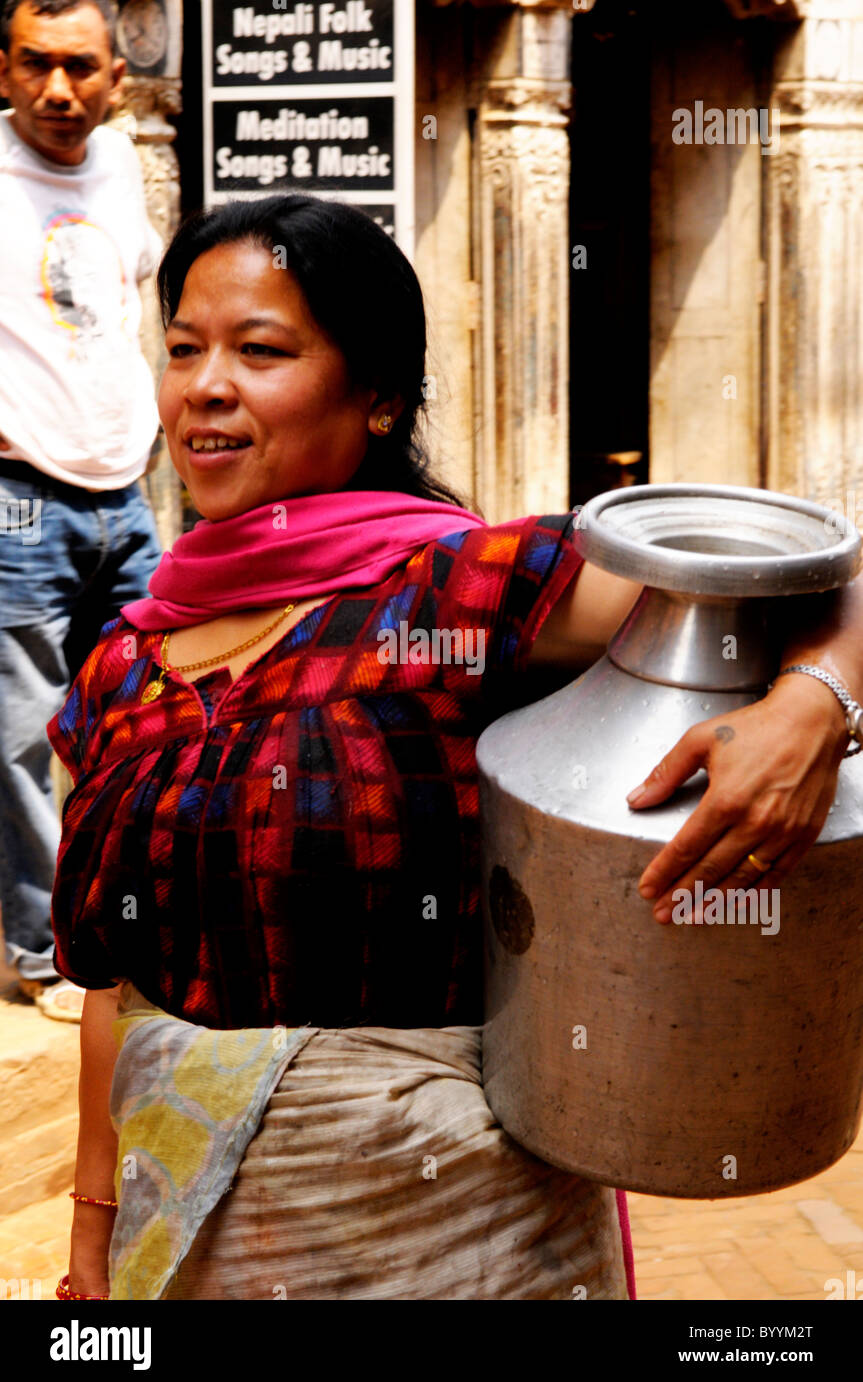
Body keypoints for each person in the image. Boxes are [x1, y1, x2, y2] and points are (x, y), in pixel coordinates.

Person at [48, 194, 863, 1301]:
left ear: (380, 394)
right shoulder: (124, 668)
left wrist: (813, 703)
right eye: (183, 348)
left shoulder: (462, 591)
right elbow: (113, 987)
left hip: (457, 1228)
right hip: (192, 1240)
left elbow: (820, 579)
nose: (205, 386)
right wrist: (94, 1234)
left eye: (261, 350)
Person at [0, 0, 162, 1020]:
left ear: (115, 77)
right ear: (5, 69)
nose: (59, 90)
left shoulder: (121, 161)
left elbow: (124, 303)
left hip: (127, 495)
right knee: (19, 739)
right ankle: (40, 951)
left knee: (144, 719)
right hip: (19, 497)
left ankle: (127, 922)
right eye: (35, 64)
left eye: (79, 69)